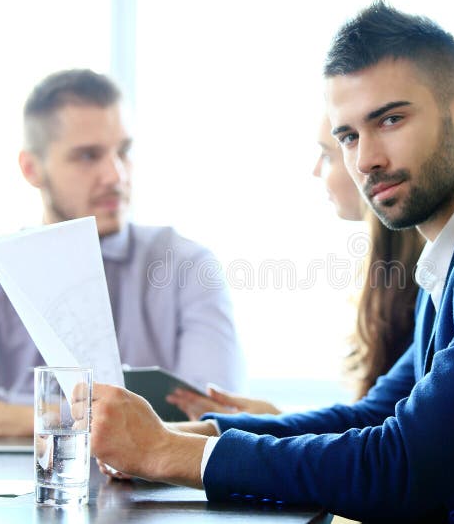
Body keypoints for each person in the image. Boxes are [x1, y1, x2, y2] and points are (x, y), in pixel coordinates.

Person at [85, 3, 454, 522]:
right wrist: (193, 436)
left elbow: (402, 467)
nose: (366, 159)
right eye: (348, 135)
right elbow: (376, 415)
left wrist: (166, 454)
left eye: (391, 120)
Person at [0, 69, 244, 442]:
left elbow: (215, 414)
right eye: (87, 156)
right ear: (32, 169)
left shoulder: (186, 265)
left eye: (123, 152)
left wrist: (41, 415)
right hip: (34, 490)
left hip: (152, 494)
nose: (116, 176)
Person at [166, 116, 424, 419]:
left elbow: (381, 444)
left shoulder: (420, 289)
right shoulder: (385, 279)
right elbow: (368, 430)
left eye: (328, 155)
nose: (316, 171)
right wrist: (276, 422)